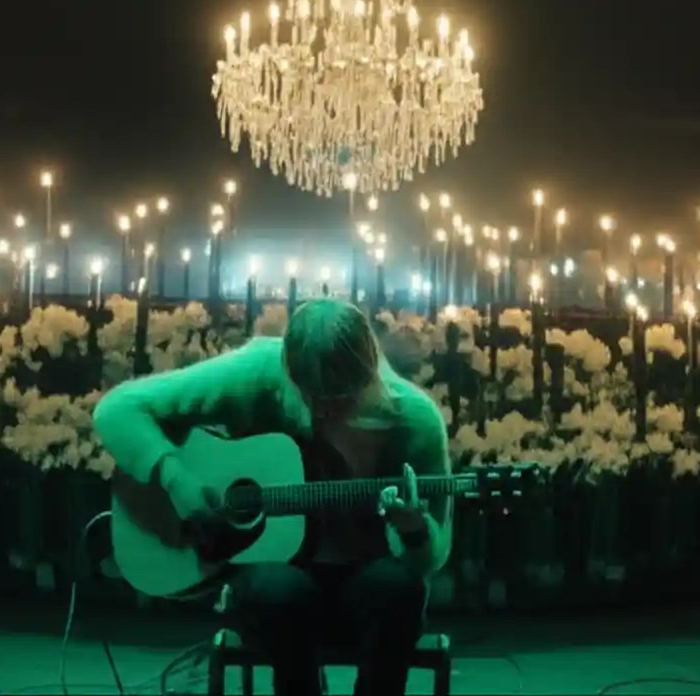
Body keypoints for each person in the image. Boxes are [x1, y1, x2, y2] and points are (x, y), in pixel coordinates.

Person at [94, 298, 451, 696]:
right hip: (274, 587)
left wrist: (416, 531)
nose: (321, 410)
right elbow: (117, 409)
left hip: (364, 585)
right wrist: (177, 480)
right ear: (286, 368)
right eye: (308, 394)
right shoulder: (255, 372)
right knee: (277, 588)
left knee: (396, 587)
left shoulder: (413, 419)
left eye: (337, 399)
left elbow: (429, 559)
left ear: (367, 376)